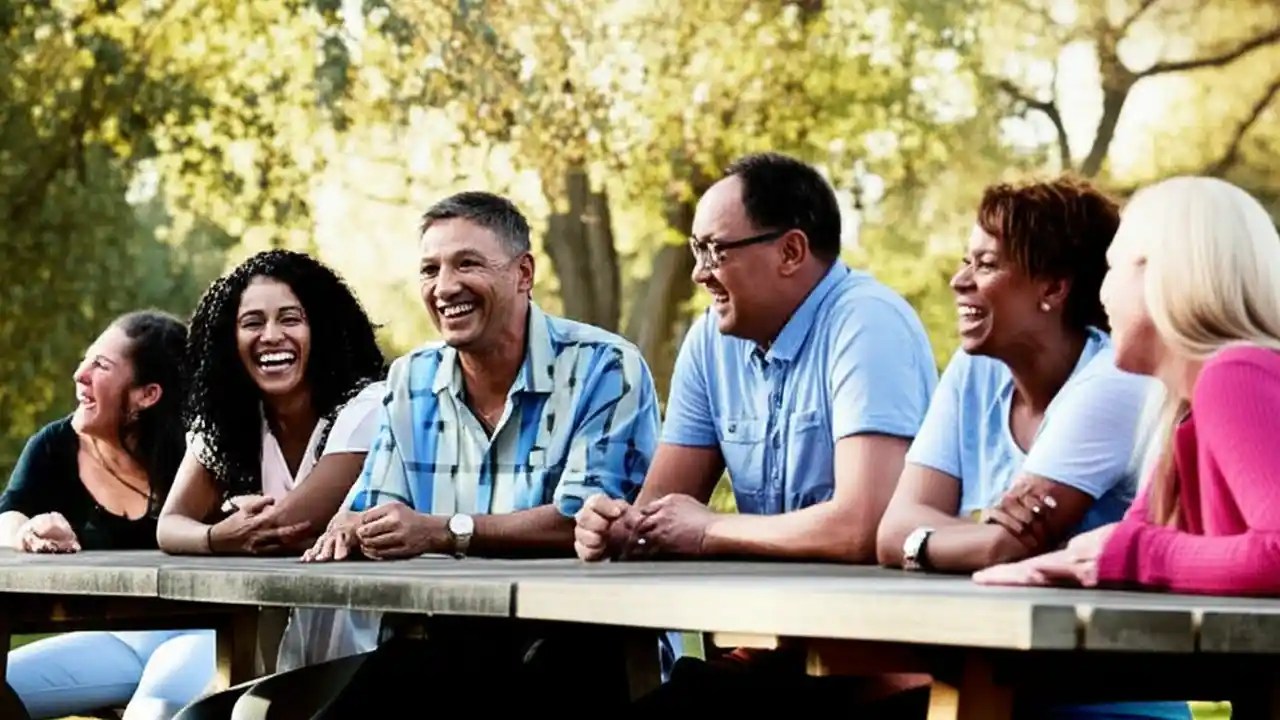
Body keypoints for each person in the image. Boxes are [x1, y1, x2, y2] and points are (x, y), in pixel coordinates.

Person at [224, 191, 660, 718]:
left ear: (524, 273)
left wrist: (441, 531)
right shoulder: (411, 378)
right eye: (430, 270)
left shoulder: (606, 367)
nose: (445, 286)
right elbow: (371, 510)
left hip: (581, 647)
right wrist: (350, 526)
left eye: (467, 264)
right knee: (258, 710)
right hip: (444, 648)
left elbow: (587, 521)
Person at [574, 152, 938, 714]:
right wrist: (616, 528)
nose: (699, 273)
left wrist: (707, 531)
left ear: (790, 251)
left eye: (715, 250)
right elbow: (659, 513)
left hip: (881, 670)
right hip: (774, 657)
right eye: (696, 252)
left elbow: (864, 527)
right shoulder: (710, 342)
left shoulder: (867, 323)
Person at [875, 176, 1189, 719]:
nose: (959, 281)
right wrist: (975, 535)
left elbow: (1002, 550)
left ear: (1053, 288)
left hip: (1108, 703)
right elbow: (892, 529)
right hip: (998, 686)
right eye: (965, 261)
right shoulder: (974, 371)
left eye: (986, 264)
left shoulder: (1114, 380)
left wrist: (935, 540)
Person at [975, 176, 1280, 598]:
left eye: (1112, 268)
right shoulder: (1180, 405)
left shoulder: (1236, 375)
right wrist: (1060, 564)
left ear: (1161, 273)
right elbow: (1135, 537)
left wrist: (1130, 553)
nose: (1101, 293)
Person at [156, 249, 388, 682]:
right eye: (252, 323)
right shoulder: (228, 422)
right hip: (276, 658)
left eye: (290, 319)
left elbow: (288, 528)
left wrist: (228, 528)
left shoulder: (366, 407)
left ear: (320, 328)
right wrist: (216, 536)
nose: (271, 335)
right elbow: (169, 525)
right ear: (231, 339)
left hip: (363, 656)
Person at [1, 310, 215, 720]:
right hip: (113, 640)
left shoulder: (196, 452)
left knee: (153, 712)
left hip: (201, 632)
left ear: (147, 395)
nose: (79, 374)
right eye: (87, 359)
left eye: (101, 365)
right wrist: (28, 532)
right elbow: (8, 514)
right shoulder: (55, 445)